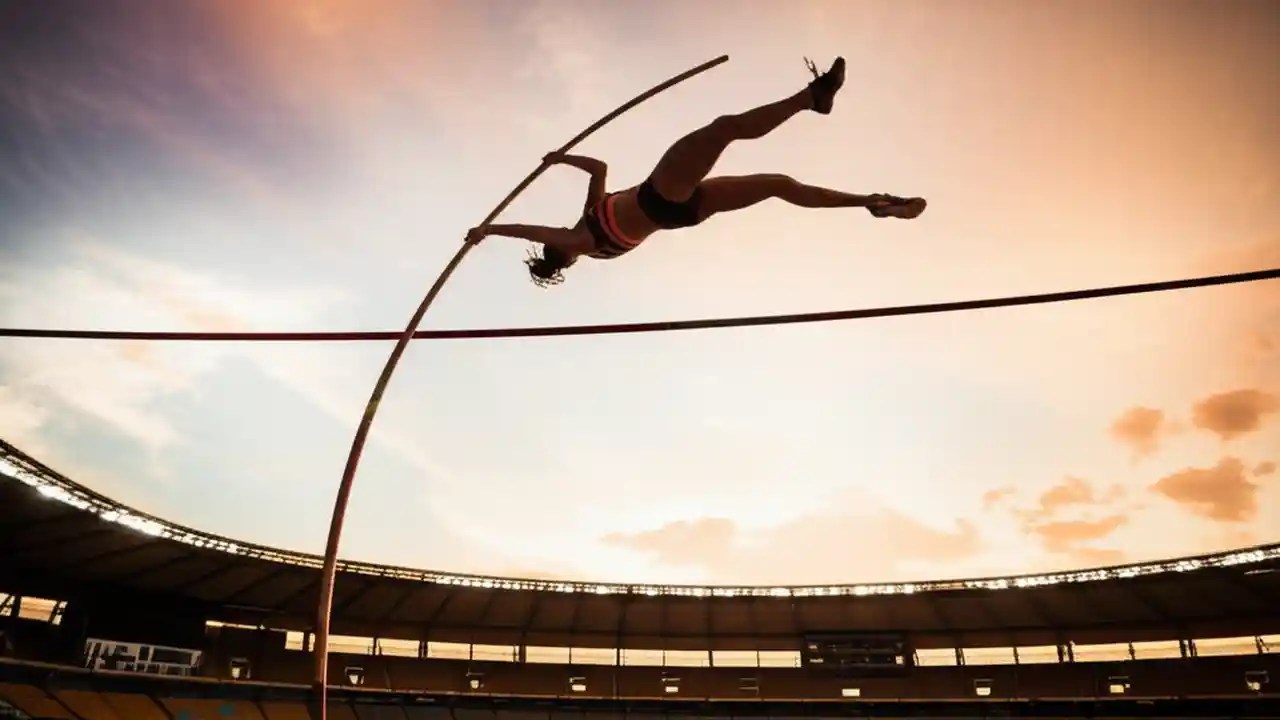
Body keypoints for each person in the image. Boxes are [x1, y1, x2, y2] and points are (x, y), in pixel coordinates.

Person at [466, 57, 926, 288]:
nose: (553, 237)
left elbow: (599, 167)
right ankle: (813, 97)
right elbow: (530, 227)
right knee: (723, 130)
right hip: (661, 197)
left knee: (779, 186)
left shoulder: (591, 223)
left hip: (684, 208)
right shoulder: (581, 243)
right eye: (553, 243)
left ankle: (876, 203)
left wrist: (560, 158)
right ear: (559, 254)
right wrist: (490, 228)